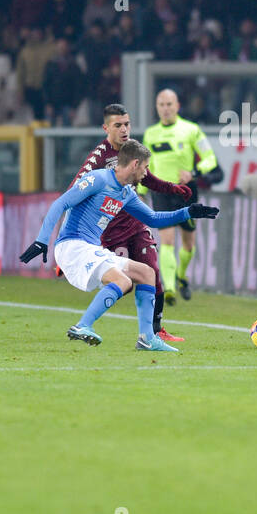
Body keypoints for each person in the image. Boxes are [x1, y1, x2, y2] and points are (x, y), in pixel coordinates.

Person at [19, 138, 219, 352]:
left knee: (146, 273)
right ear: (134, 165)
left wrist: (188, 212)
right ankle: (82, 326)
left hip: (91, 249)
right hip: (73, 246)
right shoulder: (97, 179)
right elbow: (61, 203)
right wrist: (42, 240)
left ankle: (147, 338)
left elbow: (153, 218)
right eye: (145, 167)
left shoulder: (126, 193)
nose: (146, 173)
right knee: (122, 280)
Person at [63, 103, 193, 343]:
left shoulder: (132, 151)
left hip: (136, 223)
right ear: (106, 128)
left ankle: (155, 330)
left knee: (151, 271)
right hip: (110, 232)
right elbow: (73, 195)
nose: (124, 130)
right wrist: (72, 247)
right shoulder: (97, 160)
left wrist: (172, 188)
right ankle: (87, 324)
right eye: (118, 125)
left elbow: (148, 178)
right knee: (125, 283)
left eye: (127, 124)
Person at [142, 88, 223, 305]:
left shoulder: (191, 130)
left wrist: (194, 173)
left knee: (188, 244)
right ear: (156, 108)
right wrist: (141, 191)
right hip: (161, 192)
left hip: (186, 191)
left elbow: (210, 159)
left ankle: (181, 275)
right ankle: (169, 288)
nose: (165, 108)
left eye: (169, 104)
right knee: (166, 239)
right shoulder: (151, 134)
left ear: (177, 106)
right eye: (161, 104)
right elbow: (146, 165)